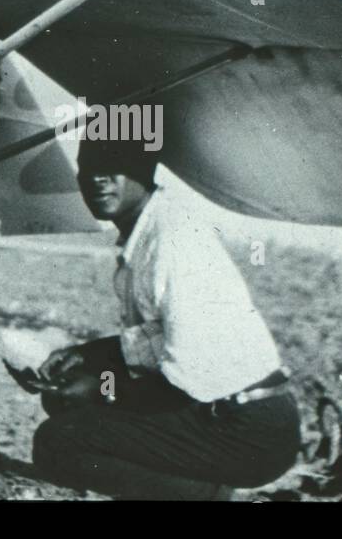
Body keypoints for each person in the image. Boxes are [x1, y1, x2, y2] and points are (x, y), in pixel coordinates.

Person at [25, 137, 301, 499]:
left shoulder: (173, 242)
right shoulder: (147, 232)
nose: (97, 178)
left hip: (246, 430)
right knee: (64, 400)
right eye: (88, 166)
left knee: (59, 441)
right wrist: (88, 356)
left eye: (114, 164)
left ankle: (213, 498)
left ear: (145, 170)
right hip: (219, 412)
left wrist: (103, 390)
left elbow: (185, 379)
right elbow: (158, 338)